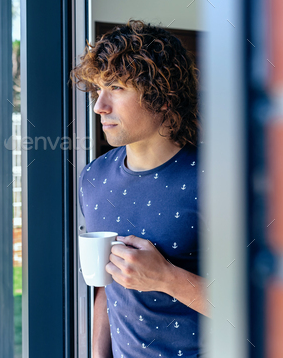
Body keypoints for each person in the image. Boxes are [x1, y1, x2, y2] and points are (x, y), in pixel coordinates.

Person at [71, 20, 208, 358]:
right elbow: (109, 289)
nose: (99, 106)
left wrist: (166, 278)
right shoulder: (94, 177)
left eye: (116, 87)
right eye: (98, 89)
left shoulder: (217, 180)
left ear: (163, 97)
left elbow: (263, 309)